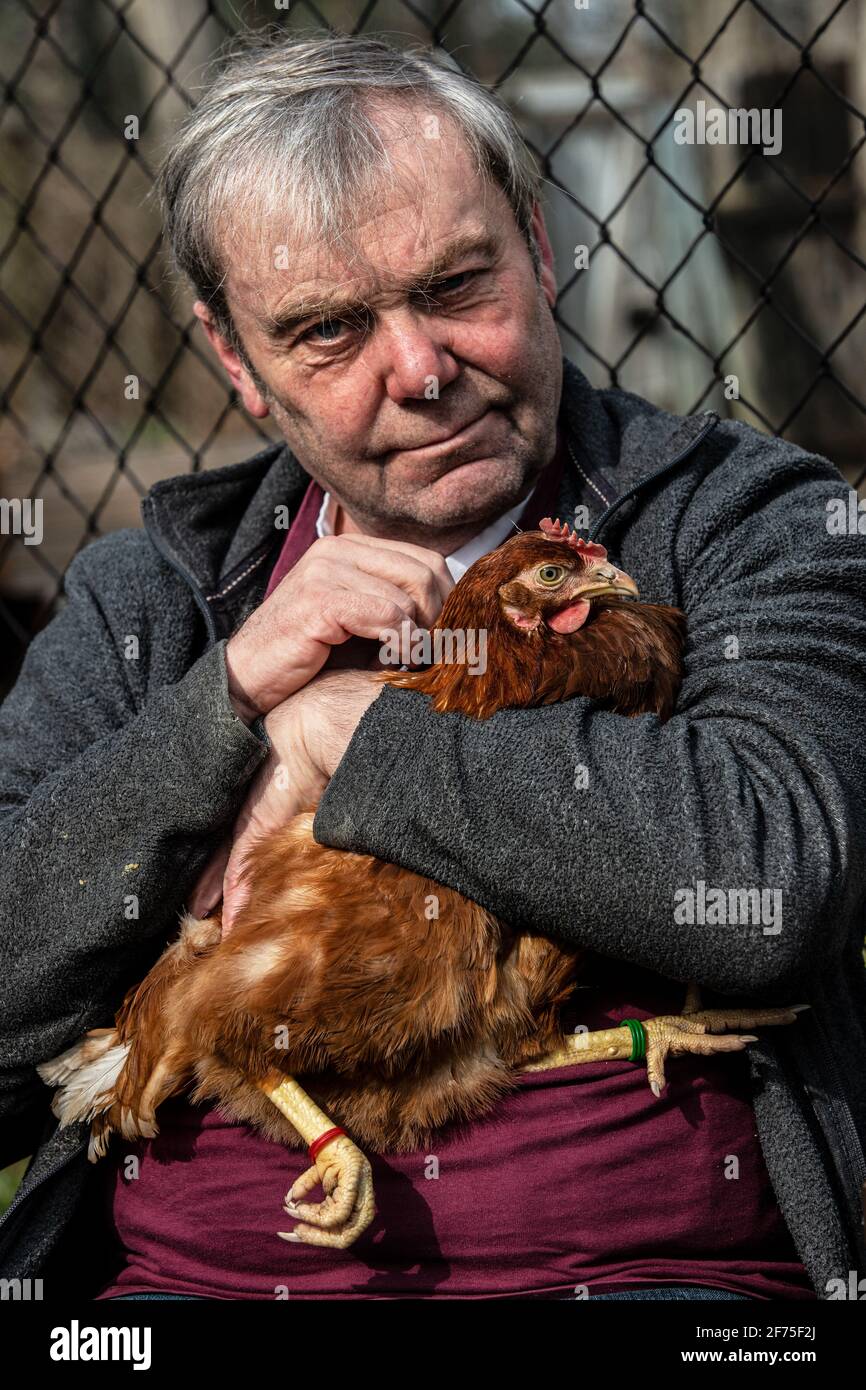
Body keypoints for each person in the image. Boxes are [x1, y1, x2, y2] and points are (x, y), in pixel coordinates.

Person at [1, 32, 864, 1303]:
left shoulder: (743, 524)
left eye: (456, 286)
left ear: (537, 239)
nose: (417, 371)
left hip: (647, 1282)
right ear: (235, 359)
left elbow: (769, 871)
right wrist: (228, 705)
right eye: (327, 330)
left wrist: (350, 737)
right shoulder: (156, 606)